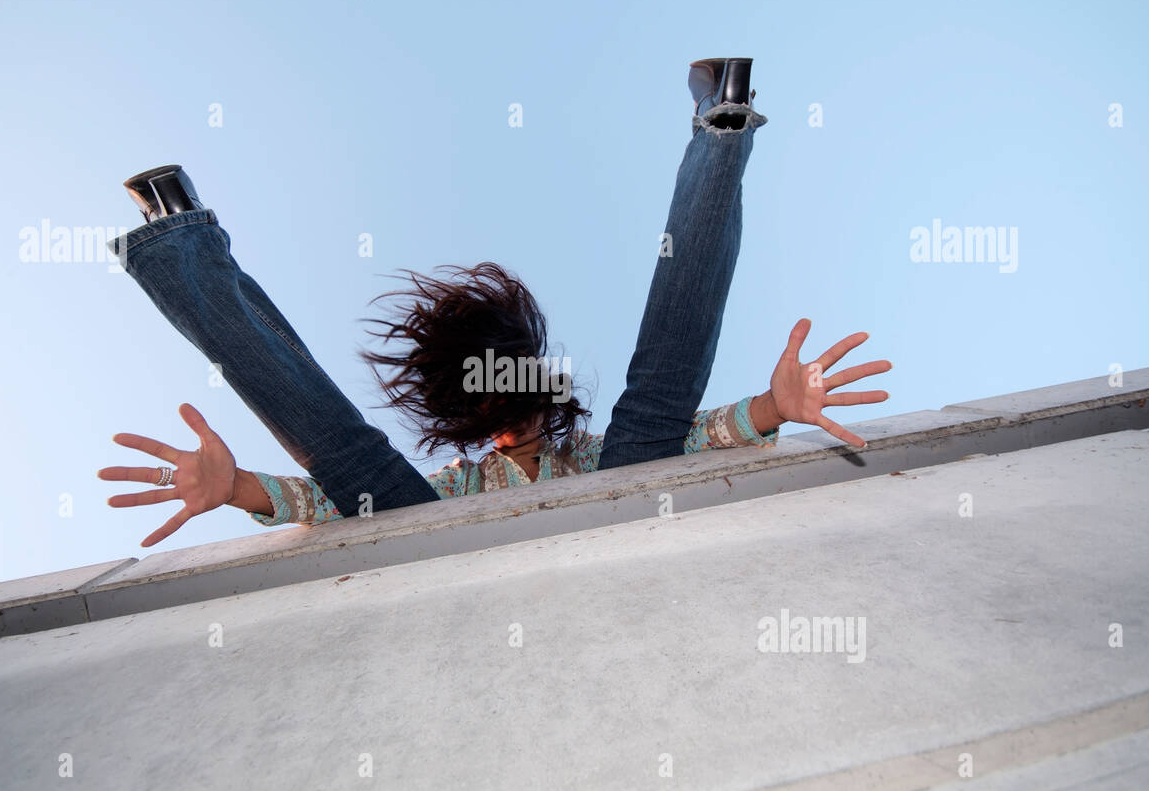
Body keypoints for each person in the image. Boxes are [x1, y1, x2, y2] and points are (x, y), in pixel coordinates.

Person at [99, 57, 892, 547]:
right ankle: (184, 245)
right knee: (361, 468)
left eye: (519, 397)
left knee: (652, 413)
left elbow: (696, 436)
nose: (509, 417)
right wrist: (234, 486)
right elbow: (332, 500)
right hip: (455, 544)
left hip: (609, 511)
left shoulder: (586, 453)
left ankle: (721, 127)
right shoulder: (459, 484)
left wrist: (768, 407)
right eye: (493, 405)